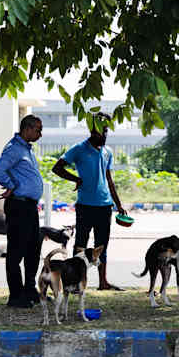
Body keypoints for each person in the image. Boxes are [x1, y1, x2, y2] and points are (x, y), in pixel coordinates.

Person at [52, 112, 127, 291]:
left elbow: (109, 180)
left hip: (105, 206)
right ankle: (74, 282)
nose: (105, 134)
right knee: (80, 244)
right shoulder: (79, 149)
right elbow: (57, 168)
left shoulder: (107, 152)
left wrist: (118, 204)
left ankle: (103, 283)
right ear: (92, 130)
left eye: (107, 131)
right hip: (85, 206)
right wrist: (76, 179)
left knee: (102, 246)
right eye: (102, 131)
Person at [0, 115, 44, 308]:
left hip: (29, 206)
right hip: (19, 206)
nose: (40, 134)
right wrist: (11, 185)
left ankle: (30, 290)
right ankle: (15, 296)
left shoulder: (26, 149)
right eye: (38, 130)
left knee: (33, 250)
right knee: (16, 251)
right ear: (27, 129)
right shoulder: (14, 149)